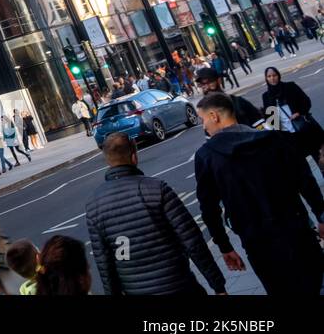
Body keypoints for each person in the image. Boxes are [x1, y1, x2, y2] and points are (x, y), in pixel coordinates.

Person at [193, 92, 324, 296]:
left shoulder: (207, 156)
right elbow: (304, 180)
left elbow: (209, 207)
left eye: (202, 120)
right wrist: (320, 214)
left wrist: (225, 246)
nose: (203, 126)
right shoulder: (274, 139)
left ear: (214, 116)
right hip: (296, 229)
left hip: (257, 241)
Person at [84, 132, 226, 295]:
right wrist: (218, 285)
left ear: (107, 161)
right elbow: (192, 241)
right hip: (178, 286)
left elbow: (104, 263)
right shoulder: (157, 189)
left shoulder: (93, 205)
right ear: (134, 157)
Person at [262, 66, 324, 171]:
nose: (272, 78)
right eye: (269, 76)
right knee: (301, 168)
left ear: (279, 76)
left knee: (319, 159)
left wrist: (299, 112)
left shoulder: (290, 87)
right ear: (266, 78)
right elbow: (272, 121)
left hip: (304, 130)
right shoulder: (266, 96)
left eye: (274, 75)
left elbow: (306, 101)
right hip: (289, 137)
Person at [193, 66, 260, 127]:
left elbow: (259, 121)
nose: (206, 87)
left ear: (218, 81)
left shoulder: (238, 102)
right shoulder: (205, 112)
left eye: (210, 82)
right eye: (202, 84)